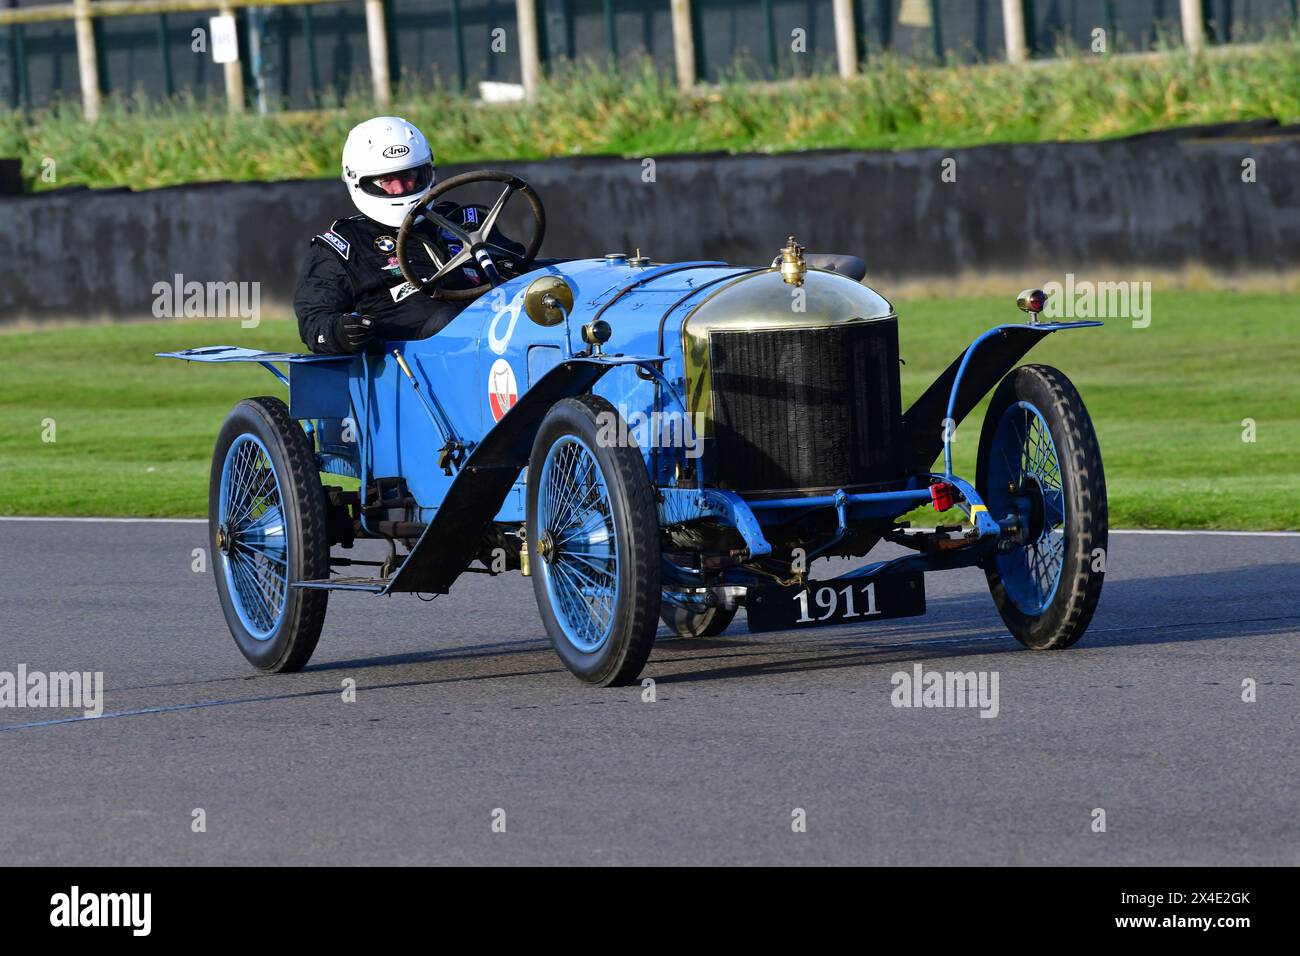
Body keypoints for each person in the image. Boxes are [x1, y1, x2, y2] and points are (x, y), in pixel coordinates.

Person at [294, 116, 525, 354]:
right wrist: (340, 332)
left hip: (496, 331)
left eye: (409, 177)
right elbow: (314, 322)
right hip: (410, 359)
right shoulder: (344, 245)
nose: (402, 189)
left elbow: (519, 266)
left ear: (426, 172)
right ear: (360, 182)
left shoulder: (466, 220)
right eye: (388, 181)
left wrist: (511, 266)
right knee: (446, 319)